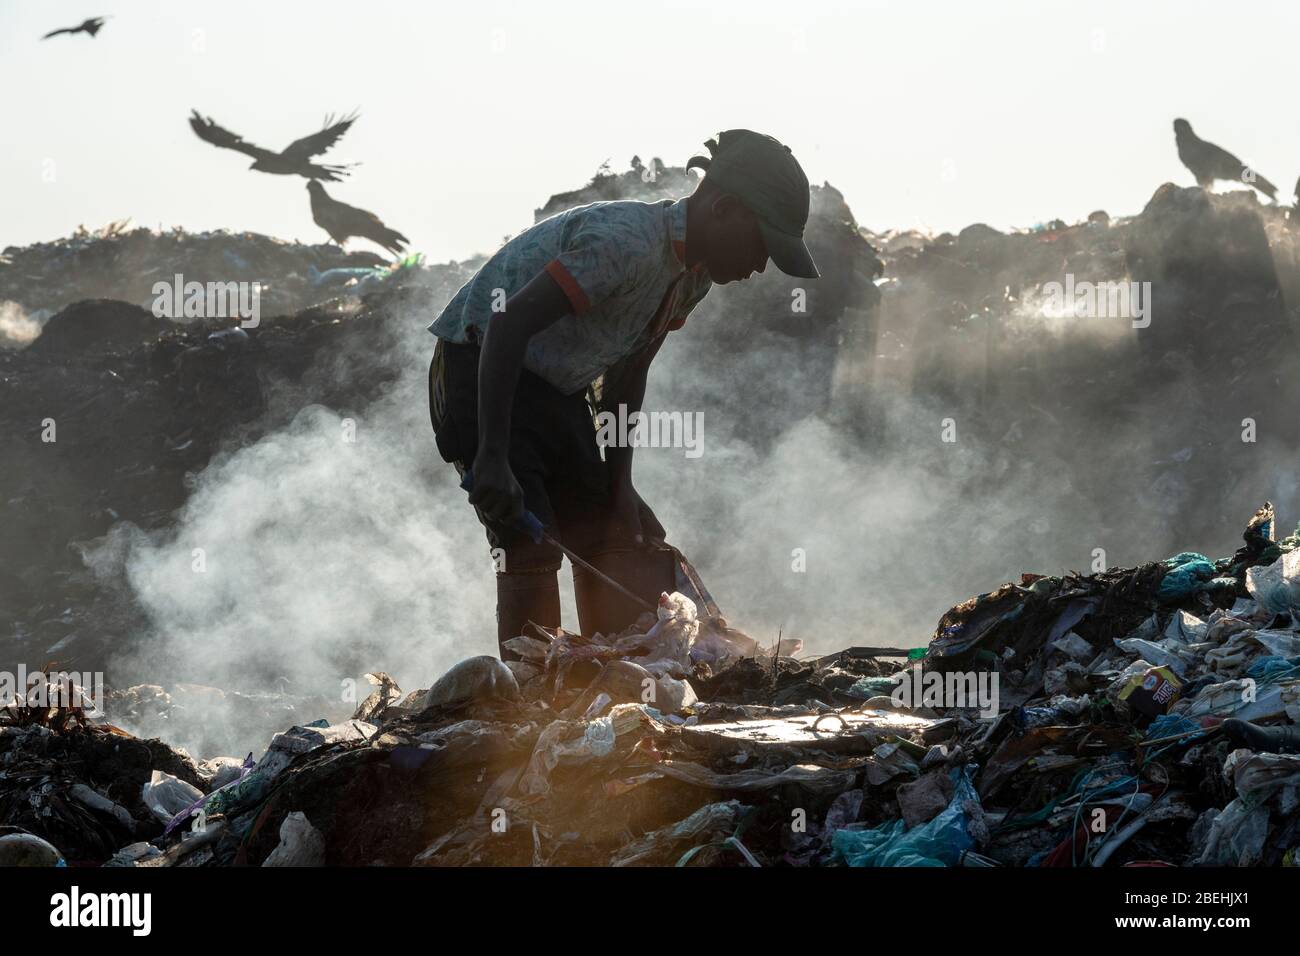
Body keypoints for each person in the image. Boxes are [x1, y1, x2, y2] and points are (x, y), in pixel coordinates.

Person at [427, 130, 819, 658]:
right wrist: (492, 457)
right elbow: (507, 325)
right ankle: (532, 693)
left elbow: (628, 376)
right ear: (724, 208)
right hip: (481, 369)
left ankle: (616, 677)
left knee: (622, 535)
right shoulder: (627, 242)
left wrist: (619, 489)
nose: (759, 267)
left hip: (558, 390)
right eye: (761, 246)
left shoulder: (692, 278)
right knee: (528, 538)